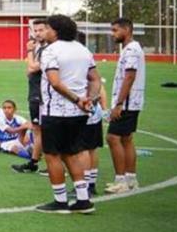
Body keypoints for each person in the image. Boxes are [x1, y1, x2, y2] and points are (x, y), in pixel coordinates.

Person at [34, 14, 101, 214]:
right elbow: (95, 79)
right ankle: (83, 199)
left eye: (46, 28)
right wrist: (91, 99)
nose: (43, 32)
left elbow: (55, 82)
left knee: (52, 155)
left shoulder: (50, 51)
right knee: (71, 153)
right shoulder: (83, 49)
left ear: (55, 30)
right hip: (79, 113)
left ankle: (60, 201)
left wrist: (77, 99)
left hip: (56, 111)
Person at [106, 17, 145, 194]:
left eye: (115, 30)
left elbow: (129, 76)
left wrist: (119, 103)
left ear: (127, 29)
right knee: (126, 138)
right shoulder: (132, 48)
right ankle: (131, 179)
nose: (113, 34)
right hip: (132, 102)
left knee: (113, 138)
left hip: (127, 103)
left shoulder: (131, 50)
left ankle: (121, 180)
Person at [14, 19, 51, 174]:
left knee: (43, 131)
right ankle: (34, 162)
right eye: (35, 31)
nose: (37, 33)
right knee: (37, 130)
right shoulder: (40, 48)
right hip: (35, 93)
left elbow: (32, 67)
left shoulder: (48, 49)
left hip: (42, 95)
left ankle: (52, 165)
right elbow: (29, 71)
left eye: (41, 30)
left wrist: (29, 52)